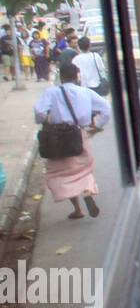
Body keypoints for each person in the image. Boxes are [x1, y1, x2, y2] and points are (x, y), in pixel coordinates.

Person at [34, 61, 111, 220]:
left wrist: (46, 120)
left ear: (60, 77)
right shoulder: (86, 92)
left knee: (62, 172)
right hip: (79, 134)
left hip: (57, 137)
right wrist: (96, 125)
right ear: (77, 76)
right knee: (84, 168)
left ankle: (77, 209)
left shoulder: (51, 92)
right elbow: (106, 109)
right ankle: (88, 191)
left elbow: (39, 111)